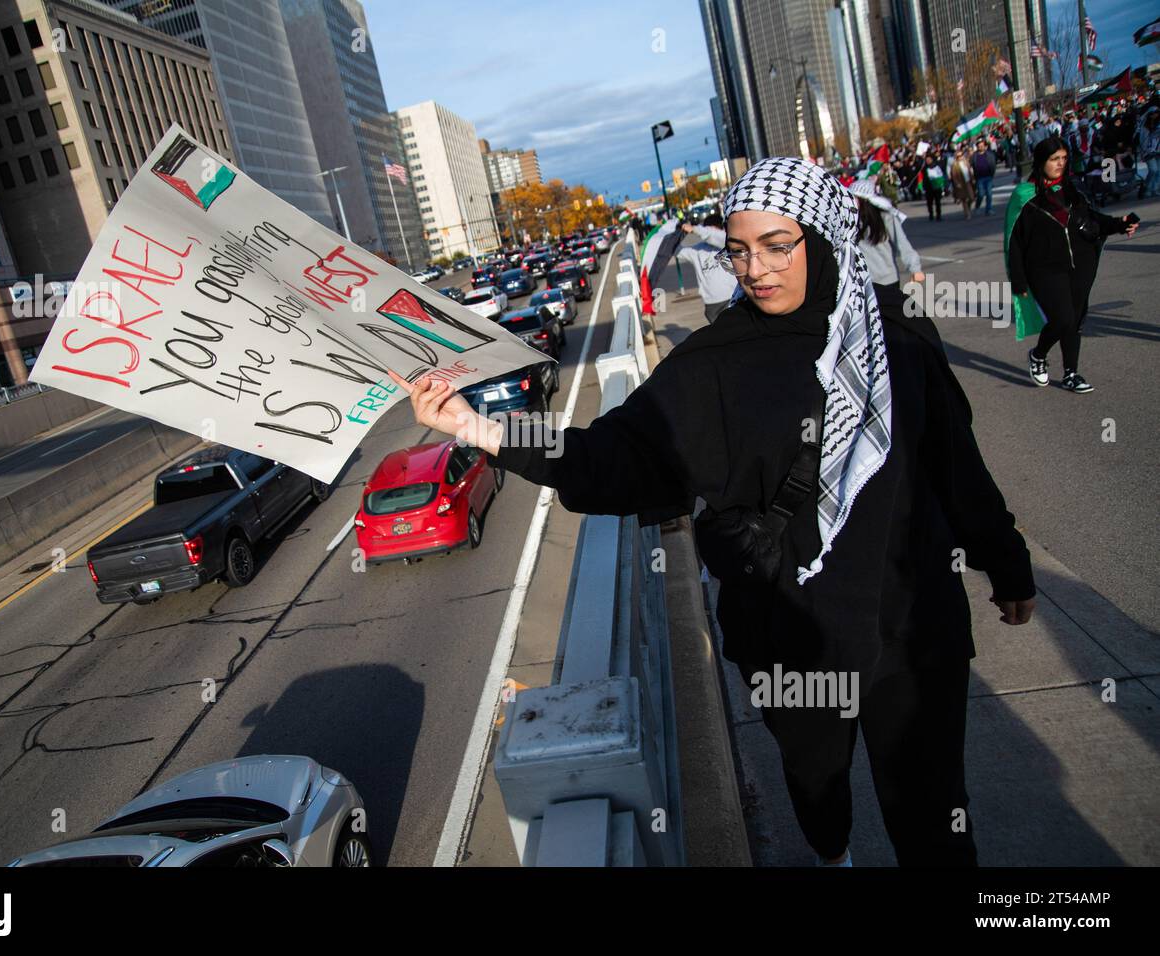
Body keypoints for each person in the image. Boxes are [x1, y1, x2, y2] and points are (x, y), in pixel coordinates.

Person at [391, 157, 1037, 868]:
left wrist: (1007, 566)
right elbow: (606, 457)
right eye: (738, 250)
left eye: (776, 245)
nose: (754, 269)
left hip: (914, 635)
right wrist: (482, 429)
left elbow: (959, 471)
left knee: (936, 820)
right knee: (819, 792)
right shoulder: (715, 365)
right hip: (796, 641)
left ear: (821, 237)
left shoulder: (898, 337)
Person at [1005, 136, 1139, 393]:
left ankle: (1071, 373)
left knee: (1075, 320)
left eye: (1064, 159)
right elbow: (1015, 242)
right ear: (1041, 161)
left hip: (1081, 263)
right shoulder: (1024, 196)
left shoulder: (1072, 188)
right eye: (1055, 159)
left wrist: (1120, 224)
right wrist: (1018, 279)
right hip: (1044, 269)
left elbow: (1092, 219)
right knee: (1063, 318)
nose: (1060, 164)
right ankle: (1038, 355)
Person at [850, 179, 925, 301]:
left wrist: (915, 268)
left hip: (886, 280)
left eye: (854, 197)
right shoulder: (849, 220)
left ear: (865, 200)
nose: (850, 201)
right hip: (860, 283)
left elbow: (902, 243)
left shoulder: (886, 217)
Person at [677, 212, 738, 321]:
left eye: (713, 230)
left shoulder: (727, 243)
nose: (710, 233)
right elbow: (678, 251)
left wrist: (695, 229)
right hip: (712, 304)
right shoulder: (697, 250)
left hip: (732, 297)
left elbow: (712, 235)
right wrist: (675, 234)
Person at [972, 138, 997, 216]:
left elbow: (993, 165)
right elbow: (972, 166)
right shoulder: (974, 156)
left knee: (989, 194)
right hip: (979, 178)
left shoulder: (989, 154)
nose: (980, 147)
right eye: (979, 146)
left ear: (985, 147)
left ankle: (988, 209)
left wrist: (992, 174)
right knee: (981, 194)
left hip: (988, 176)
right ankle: (977, 206)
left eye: (982, 146)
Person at [950, 146, 975, 219]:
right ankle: (967, 213)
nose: (960, 157)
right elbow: (954, 175)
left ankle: (968, 207)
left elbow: (970, 171)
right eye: (958, 156)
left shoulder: (966, 162)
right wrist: (957, 183)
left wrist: (972, 178)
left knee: (971, 198)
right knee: (964, 199)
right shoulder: (954, 165)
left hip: (968, 182)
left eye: (961, 155)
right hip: (961, 183)